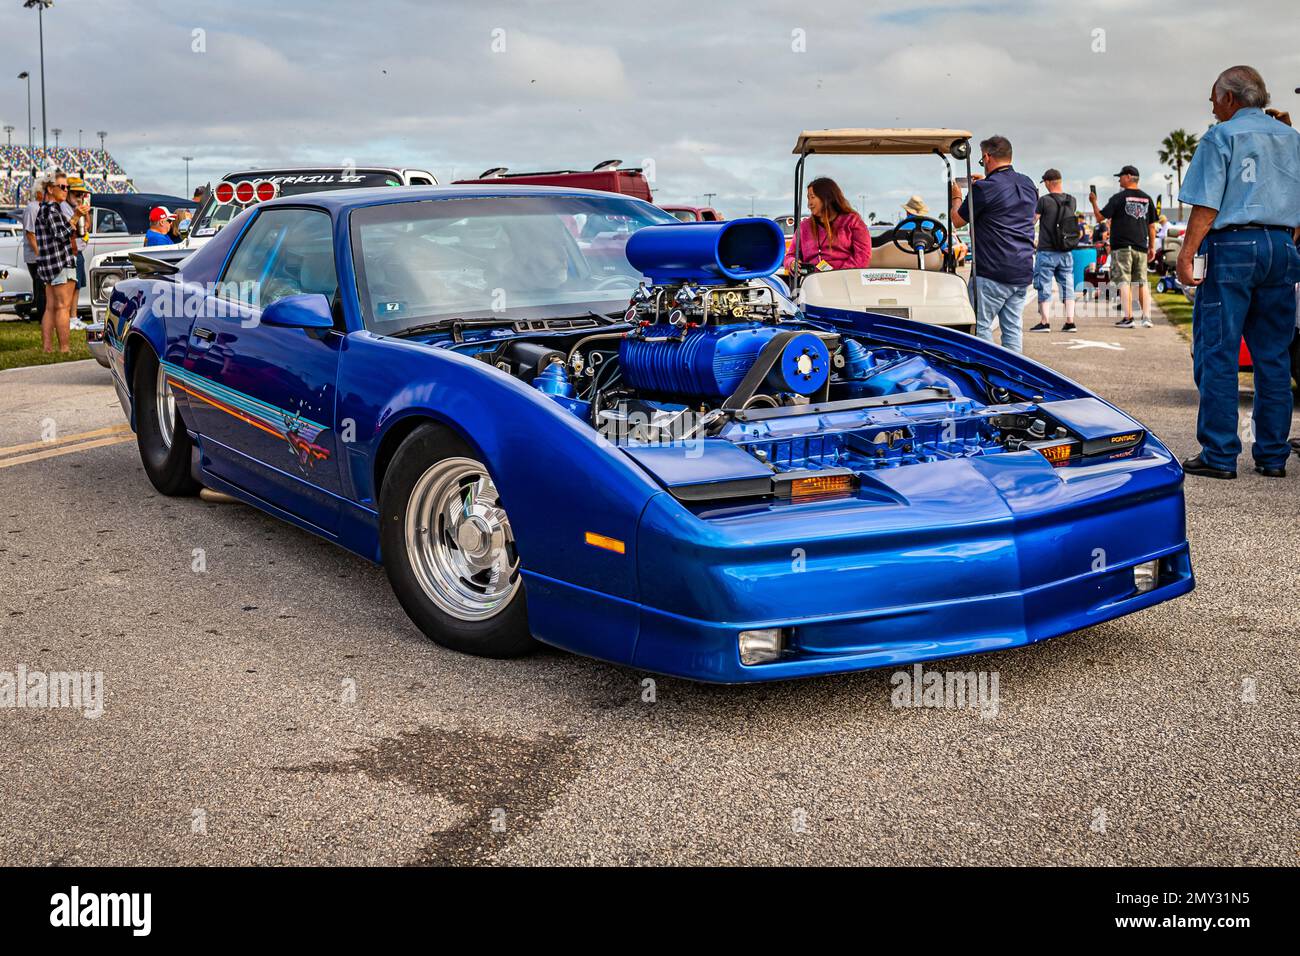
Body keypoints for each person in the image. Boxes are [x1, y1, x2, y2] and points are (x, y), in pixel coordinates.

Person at [1175, 65, 1300, 480]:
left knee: (1219, 351)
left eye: (1214, 98)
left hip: (1233, 247)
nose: (1211, 107)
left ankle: (1220, 452)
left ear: (1230, 98)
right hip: (1281, 246)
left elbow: (1207, 205)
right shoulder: (1292, 139)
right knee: (1274, 356)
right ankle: (1272, 455)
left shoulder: (1222, 136)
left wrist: (1186, 253)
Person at [949, 135, 1037, 352]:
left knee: (980, 328)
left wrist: (957, 197)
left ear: (987, 157)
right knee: (1013, 329)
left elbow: (958, 221)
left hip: (991, 271)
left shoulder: (983, 189)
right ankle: (1012, 376)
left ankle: (987, 376)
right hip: (1022, 269)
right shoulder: (1028, 184)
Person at [1090, 165, 1158, 328]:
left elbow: (1100, 217)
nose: (1119, 179)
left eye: (1120, 176)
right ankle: (1147, 317)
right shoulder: (1147, 198)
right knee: (1142, 282)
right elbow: (1152, 226)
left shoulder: (1119, 198)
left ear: (1128, 177)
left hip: (1122, 246)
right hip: (1141, 246)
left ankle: (1128, 318)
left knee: (1124, 281)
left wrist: (1094, 202)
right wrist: (1152, 247)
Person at [33, 172, 82, 353]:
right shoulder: (52, 209)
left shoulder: (44, 209)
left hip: (48, 265)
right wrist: (75, 217)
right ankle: (64, 348)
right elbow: (62, 235)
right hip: (60, 263)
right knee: (63, 307)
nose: (65, 190)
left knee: (51, 307)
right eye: (62, 187)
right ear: (50, 189)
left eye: (67, 187)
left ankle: (47, 348)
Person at [784, 177, 872, 274]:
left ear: (827, 197)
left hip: (845, 280)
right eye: (808, 199)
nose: (809, 204)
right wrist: (792, 263)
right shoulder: (804, 227)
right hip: (811, 280)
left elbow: (863, 256)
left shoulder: (852, 221)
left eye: (812, 197)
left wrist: (839, 275)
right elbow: (790, 256)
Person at [1029, 169, 1079, 333]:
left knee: (1044, 286)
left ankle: (1045, 322)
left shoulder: (1043, 201)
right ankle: (1070, 322)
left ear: (1048, 182)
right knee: (1068, 287)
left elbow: (1033, 220)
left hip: (1047, 251)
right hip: (1066, 251)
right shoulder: (1072, 200)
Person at [65, 176, 91, 330]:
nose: (79, 197)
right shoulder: (64, 207)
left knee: (77, 285)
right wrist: (77, 214)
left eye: (81, 195)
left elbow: (87, 226)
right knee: (69, 286)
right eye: (76, 194)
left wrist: (85, 211)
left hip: (78, 251)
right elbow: (67, 228)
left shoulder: (78, 207)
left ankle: (73, 317)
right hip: (69, 251)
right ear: (68, 193)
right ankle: (67, 317)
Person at [20, 177, 47, 322]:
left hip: (39, 255)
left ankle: (25, 310)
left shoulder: (42, 206)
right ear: (39, 192)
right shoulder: (32, 208)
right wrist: (40, 255)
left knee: (41, 289)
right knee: (41, 289)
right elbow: (30, 234)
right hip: (35, 256)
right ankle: (42, 318)